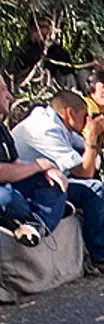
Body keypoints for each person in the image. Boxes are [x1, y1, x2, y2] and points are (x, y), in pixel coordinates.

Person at [12, 91, 104, 275]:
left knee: (95, 189)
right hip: (28, 185)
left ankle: (101, 258)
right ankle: (98, 257)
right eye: (84, 116)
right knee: (90, 188)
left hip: (45, 181)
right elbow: (85, 173)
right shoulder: (45, 129)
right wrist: (92, 137)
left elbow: (86, 150)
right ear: (70, 113)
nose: (86, 122)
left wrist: (99, 136)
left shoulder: (59, 123)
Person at [0, 79, 68, 248]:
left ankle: (35, 225)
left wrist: (47, 169)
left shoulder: (2, 128)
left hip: (10, 186)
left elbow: (16, 163)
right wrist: (38, 165)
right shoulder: (43, 127)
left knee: (54, 183)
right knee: (8, 198)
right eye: (2, 90)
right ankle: (48, 212)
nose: (9, 96)